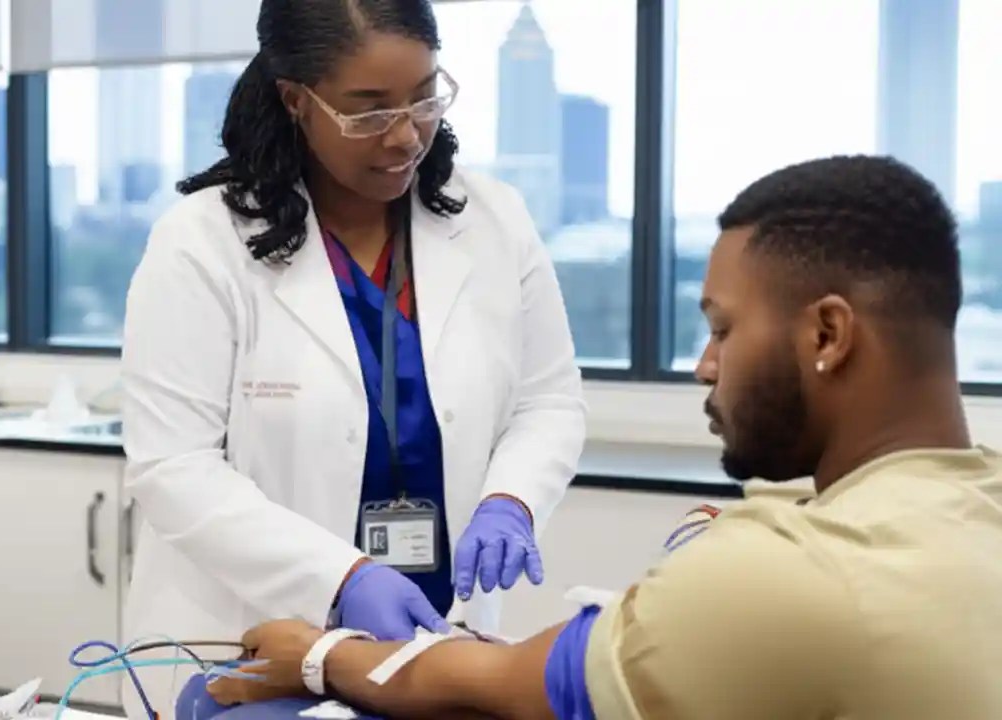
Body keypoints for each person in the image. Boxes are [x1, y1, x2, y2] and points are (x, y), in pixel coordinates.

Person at [203, 155, 1002, 720]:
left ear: (828, 334)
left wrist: (317, 656)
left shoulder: (784, 573)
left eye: (723, 329)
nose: (706, 365)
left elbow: (502, 685)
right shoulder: (972, 509)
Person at [119, 0, 585, 712]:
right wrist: (343, 576)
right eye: (368, 112)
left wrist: (510, 501)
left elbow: (548, 400)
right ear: (297, 100)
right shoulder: (202, 243)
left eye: (423, 98)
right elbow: (173, 466)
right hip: (251, 639)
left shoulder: (494, 220)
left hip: (438, 643)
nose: (405, 135)